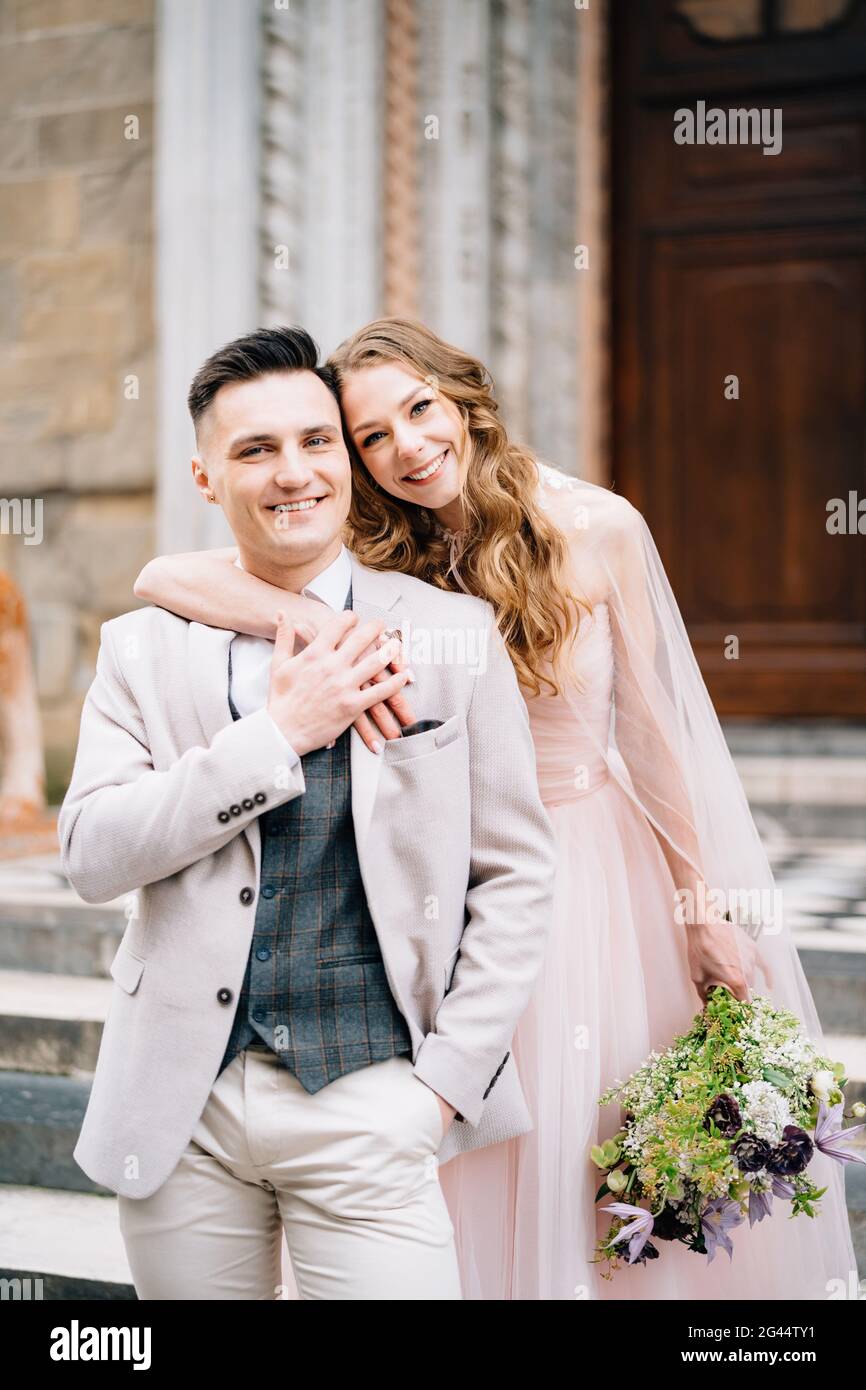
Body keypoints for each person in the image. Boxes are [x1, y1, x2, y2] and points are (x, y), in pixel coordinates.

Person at [135, 317, 859, 1300]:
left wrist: (703, 909)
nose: (406, 447)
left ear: (462, 398)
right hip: (442, 883)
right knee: (459, 1144)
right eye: (371, 437)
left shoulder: (597, 525)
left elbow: (650, 735)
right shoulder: (377, 552)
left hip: (598, 870)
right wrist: (297, 614)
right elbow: (162, 576)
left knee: (598, 1137)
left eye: (418, 410)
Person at [58, 326, 557, 1300]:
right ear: (206, 477)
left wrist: (441, 1086)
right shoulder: (140, 650)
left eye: (315, 442)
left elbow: (515, 873)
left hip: (375, 1098)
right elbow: (89, 855)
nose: (292, 472)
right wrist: (276, 735)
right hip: (178, 1110)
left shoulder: (450, 636)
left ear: (345, 459)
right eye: (253, 450)